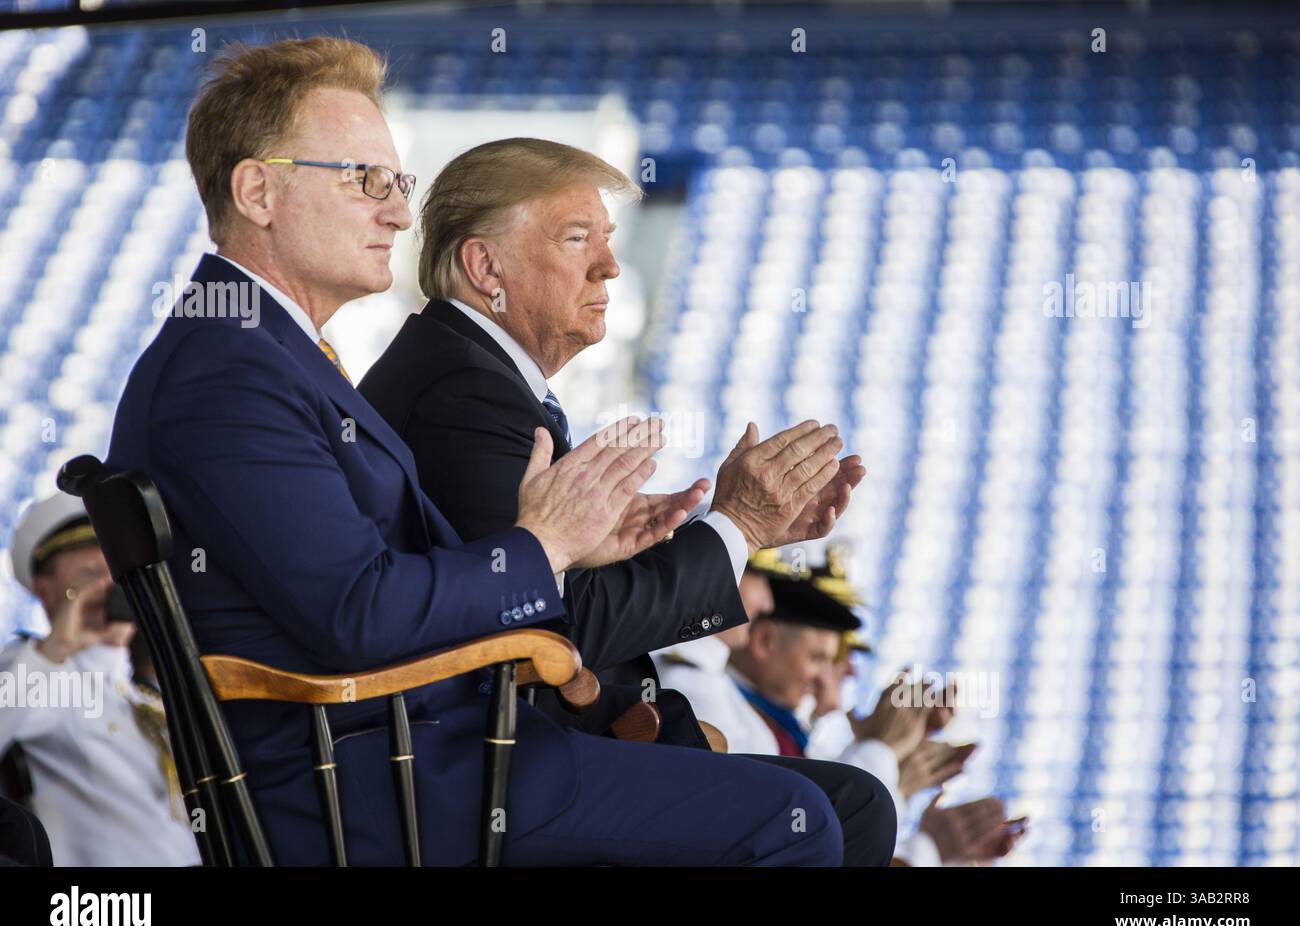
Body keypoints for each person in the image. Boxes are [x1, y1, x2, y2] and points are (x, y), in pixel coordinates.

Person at [103, 37, 847, 866]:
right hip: (385, 787)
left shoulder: (262, 353)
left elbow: (375, 581)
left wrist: (568, 545)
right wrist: (542, 547)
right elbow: (358, 613)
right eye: (364, 180)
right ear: (258, 191)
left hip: (418, 755)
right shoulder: (226, 377)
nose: (394, 211)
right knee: (798, 821)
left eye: (398, 183)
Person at [358, 137, 896, 865]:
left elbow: (555, 595)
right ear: (486, 268)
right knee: (821, 813)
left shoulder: (474, 376)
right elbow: (562, 621)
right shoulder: (466, 394)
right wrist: (736, 529)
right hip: (483, 766)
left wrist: (739, 533)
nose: (610, 264)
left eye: (607, 241)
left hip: (524, 734)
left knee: (852, 806)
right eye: (578, 239)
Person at [0, 493, 200, 865]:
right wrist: (57, 645)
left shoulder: (146, 692)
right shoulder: (40, 673)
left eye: (119, 575)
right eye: (90, 576)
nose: (112, 589)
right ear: (46, 594)